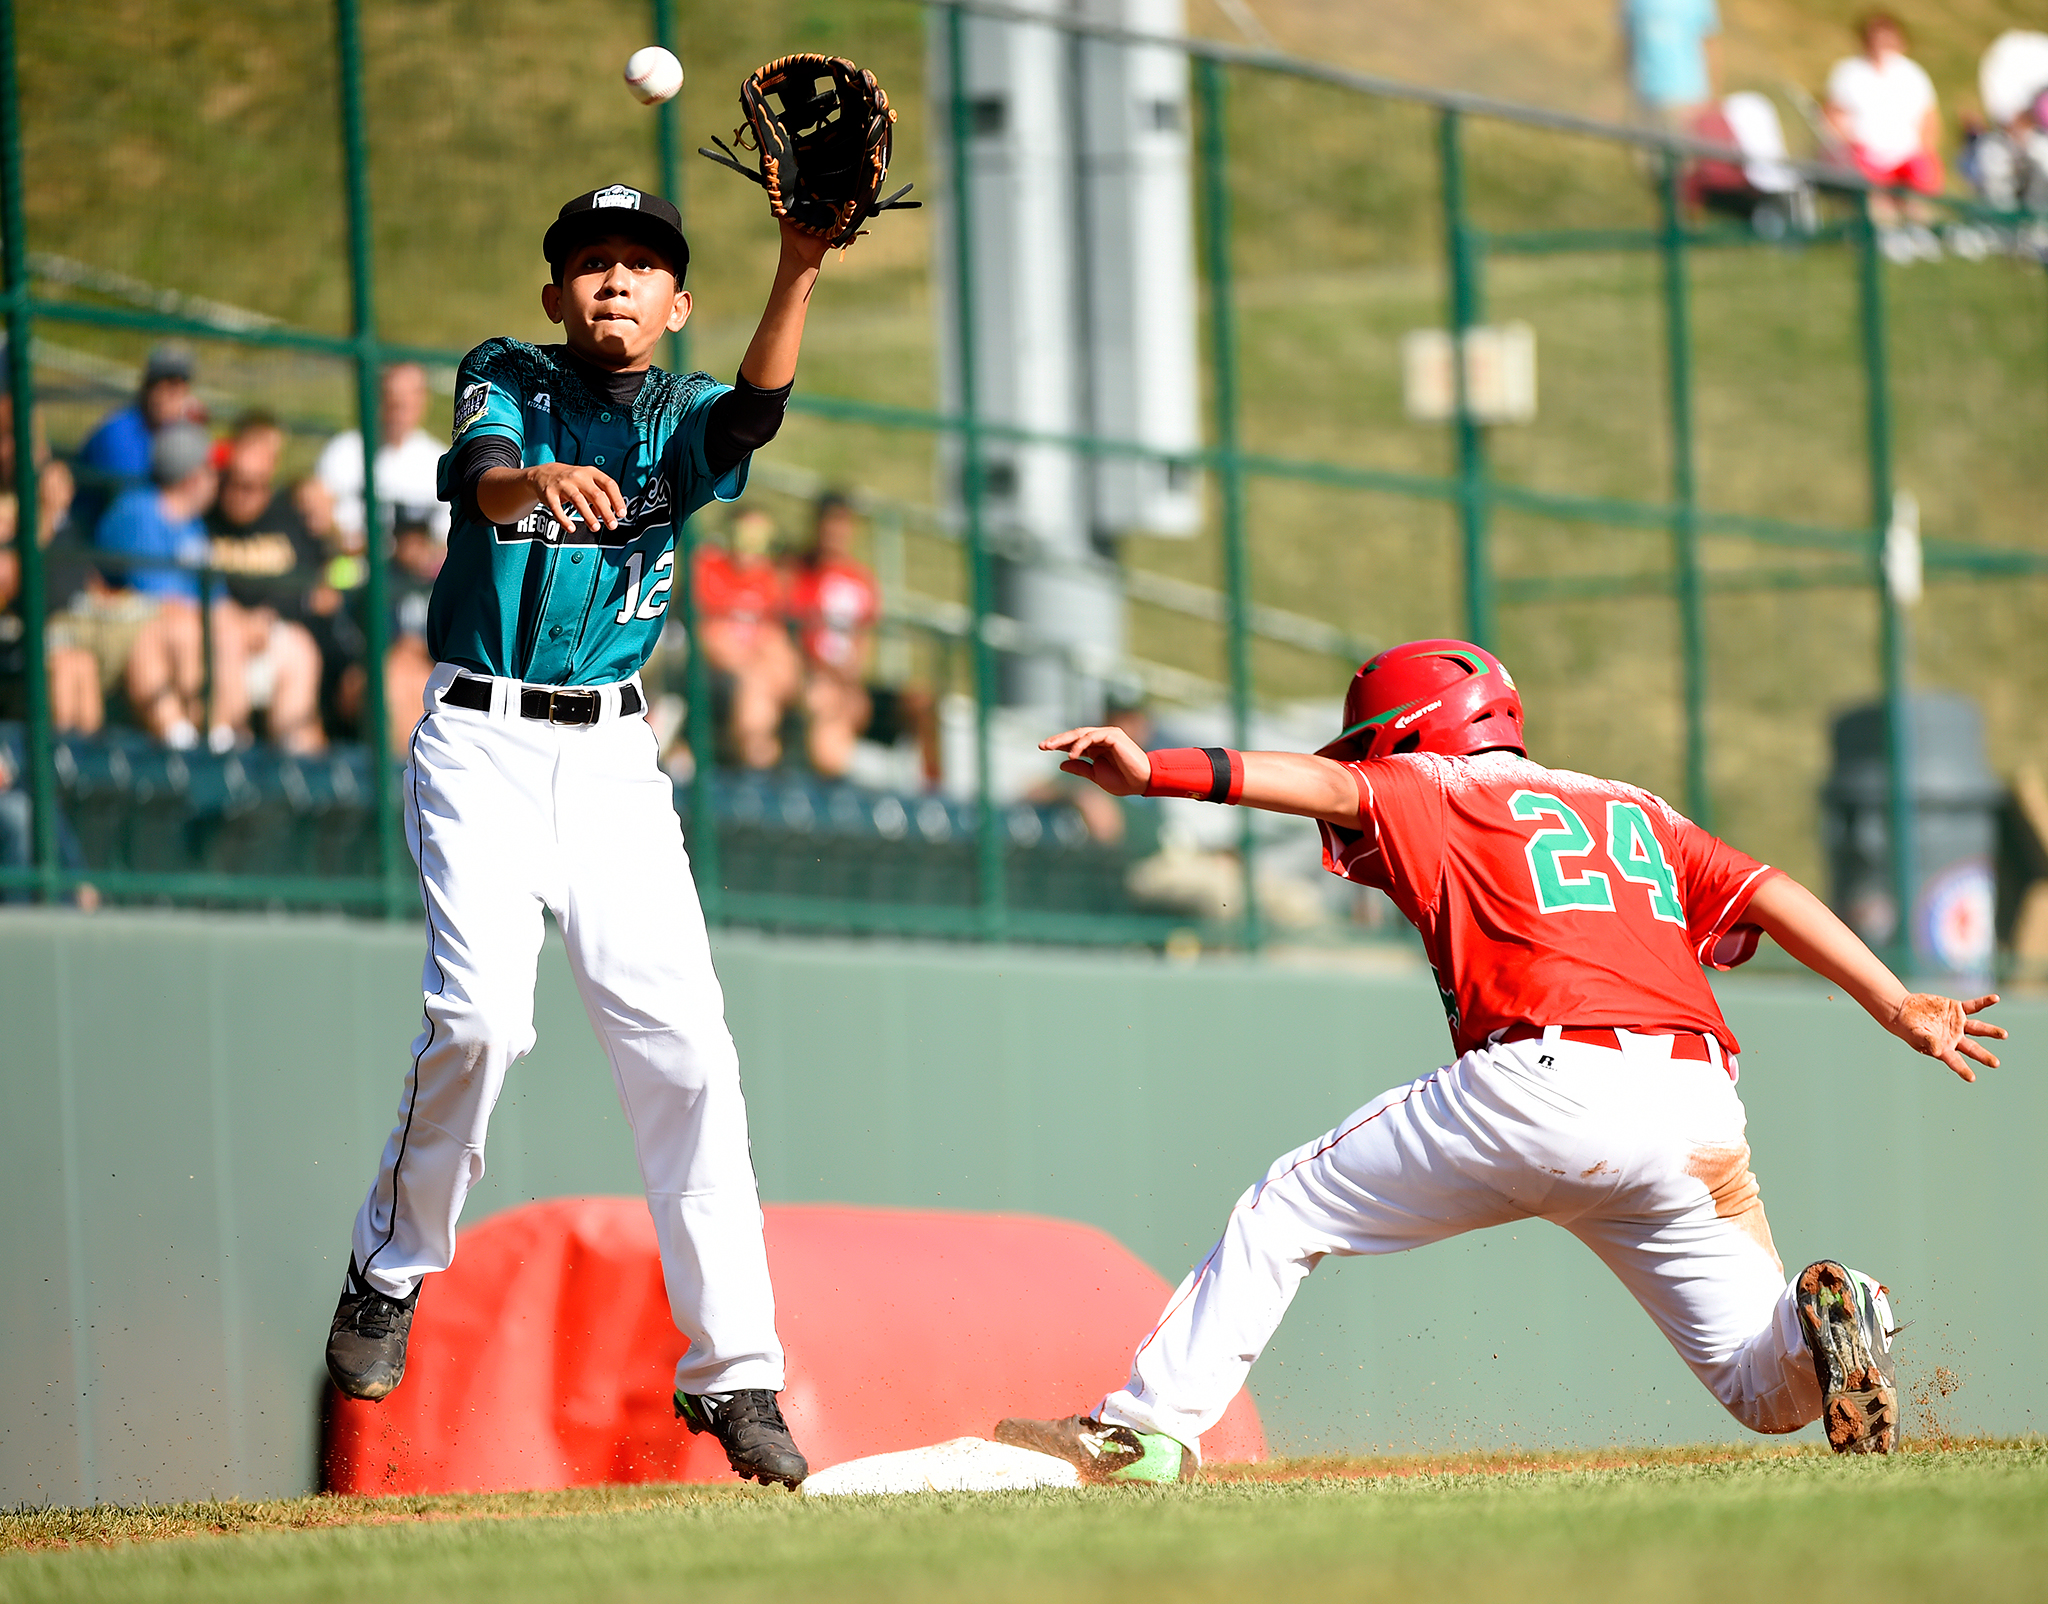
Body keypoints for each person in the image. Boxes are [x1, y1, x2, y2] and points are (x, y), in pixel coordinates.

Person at [1001, 638, 2005, 1482]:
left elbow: (1325, 783)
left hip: (1544, 1082)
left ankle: (1142, 1431)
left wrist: (1156, 771)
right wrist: (1896, 1001)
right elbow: (1769, 891)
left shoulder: (1437, 782)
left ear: (1408, 730)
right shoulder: (1637, 807)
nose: (1364, 763)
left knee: (1283, 1211)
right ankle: (1844, 1307)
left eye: (1373, 741)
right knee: (1767, 1386)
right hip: (1696, 1104)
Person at [322, 183, 829, 1493]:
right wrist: (527, 484)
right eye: (591, 261)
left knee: (691, 1057)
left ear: (677, 302)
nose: (614, 279)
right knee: (483, 1019)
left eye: (640, 264)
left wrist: (799, 262)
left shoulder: (681, 415)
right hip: (480, 736)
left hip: (611, 756)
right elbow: (484, 477)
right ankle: (391, 1266)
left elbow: (754, 413)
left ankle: (736, 1371)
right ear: (556, 293)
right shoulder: (508, 374)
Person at [95, 421, 249, 751]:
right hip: (133, 628)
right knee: (189, 631)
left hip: (186, 626)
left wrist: (242, 619)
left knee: (233, 631)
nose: (217, 480)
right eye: (212, 471)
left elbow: (216, 599)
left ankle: (229, 741)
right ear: (191, 477)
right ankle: (207, 742)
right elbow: (157, 598)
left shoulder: (193, 525)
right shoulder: (139, 511)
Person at [203, 412, 327, 752]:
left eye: (253, 485)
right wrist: (232, 617)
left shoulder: (288, 517)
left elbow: (313, 585)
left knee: (300, 651)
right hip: (216, 638)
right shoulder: (206, 517)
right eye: (235, 482)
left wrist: (269, 616)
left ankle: (296, 767)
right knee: (224, 639)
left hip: (272, 636)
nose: (242, 494)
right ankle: (230, 755)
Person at [1826, 12, 1944, 250]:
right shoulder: (1849, 73)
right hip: (1864, 154)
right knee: (1875, 199)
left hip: (1907, 153)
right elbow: (1832, 117)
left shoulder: (1912, 74)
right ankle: (1886, 239)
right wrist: (1846, 148)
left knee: (1920, 189)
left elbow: (1930, 118)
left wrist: (1924, 150)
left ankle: (1922, 237)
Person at [784, 491, 881, 778]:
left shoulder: (862, 581)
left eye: (842, 524)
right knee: (823, 703)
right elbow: (791, 638)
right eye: (829, 524)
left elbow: (863, 645)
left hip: (844, 683)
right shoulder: (796, 573)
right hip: (809, 677)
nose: (834, 533)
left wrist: (850, 682)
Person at [694, 506, 799, 770]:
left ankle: (757, 759)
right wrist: (750, 667)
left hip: (756, 674)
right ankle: (754, 761)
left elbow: (775, 641)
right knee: (755, 688)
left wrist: (775, 670)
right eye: (745, 534)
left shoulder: (769, 579)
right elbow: (707, 635)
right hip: (712, 669)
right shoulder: (709, 567)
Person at [314, 362, 451, 548]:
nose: (398, 412)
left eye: (405, 403)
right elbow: (321, 521)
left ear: (423, 401)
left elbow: (446, 540)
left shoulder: (439, 460)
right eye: (391, 399)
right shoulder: (342, 452)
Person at [74, 343, 199, 536]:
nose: (169, 394)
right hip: (91, 535)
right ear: (146, 387)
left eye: (177, 385)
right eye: (160, 383)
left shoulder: (178, 430)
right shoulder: (119, 432)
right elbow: (132, 503)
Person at [1618, 0, 1720, 129]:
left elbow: (1710, 44)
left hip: (1688, 97)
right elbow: (1626, 44)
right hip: (1644, 96)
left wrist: (1713, 98)